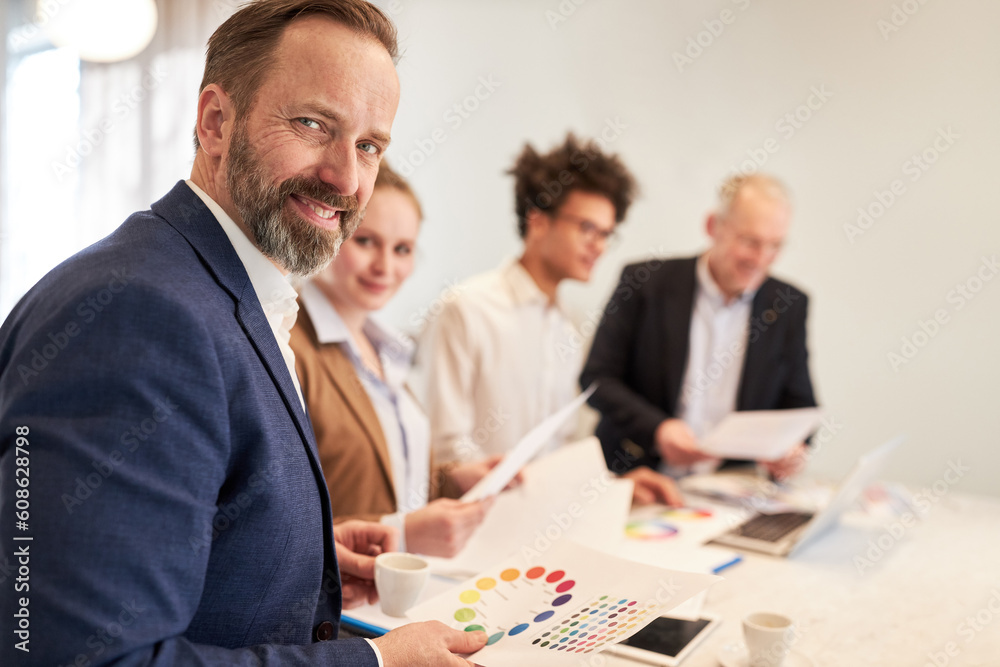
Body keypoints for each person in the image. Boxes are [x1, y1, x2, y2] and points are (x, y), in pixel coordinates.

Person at [0, 2, 485, 665]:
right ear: (215, 122)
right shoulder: (141, 313)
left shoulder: (230, 291)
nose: (346, 178)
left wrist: (300, 562)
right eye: (313, 124)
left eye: (369, 146)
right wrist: (377, 661)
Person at [416, 134, 682, 506]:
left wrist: (614, 488)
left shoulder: (566, 326)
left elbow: (556, 452)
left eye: (607, 234)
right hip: (473, 519)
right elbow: (443, 448)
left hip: (539, 519)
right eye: (587, 228)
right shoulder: (466, 308)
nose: (599, 246)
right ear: (538, 221)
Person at [291, 162, 494, 558]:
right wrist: (400, 533)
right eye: (366, 241)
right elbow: (274, 524)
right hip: (335, 594)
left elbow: (386, 479)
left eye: (402, 249)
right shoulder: (288, 345)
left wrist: (451, 482)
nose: (385, 267)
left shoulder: (385, 349)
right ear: (327, 228)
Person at [580, 173, 817, 481]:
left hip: (728, 486)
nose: (761, 259)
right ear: (713, 226)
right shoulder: (645, 284)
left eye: (775, 246)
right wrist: (658, 429)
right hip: (636, 476)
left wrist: (793, 448)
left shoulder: (787, 305)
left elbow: (800, 405)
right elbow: (597, 378)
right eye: (750, 242)